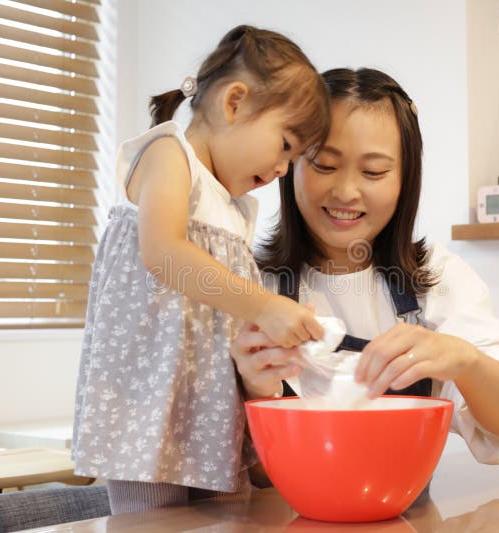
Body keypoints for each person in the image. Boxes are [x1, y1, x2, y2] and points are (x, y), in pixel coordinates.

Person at [232, 68, 499, 467]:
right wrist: (257, 391)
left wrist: (464, 359)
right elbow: (256, 479)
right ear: (290, 165)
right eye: (324, 165)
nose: (346, 191)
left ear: (406, 179)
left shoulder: (435, 279)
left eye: (374, 172)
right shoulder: (247, 288)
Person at [72, 25, 331, 514]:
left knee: (232, 517)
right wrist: (263, 303)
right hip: (147, 408)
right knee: (154, 523)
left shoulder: (234, 207)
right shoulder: (169, 156)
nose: (282, 169)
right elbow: (163, 253)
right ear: (235, 103)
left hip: (212, 410)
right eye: (284, 145)